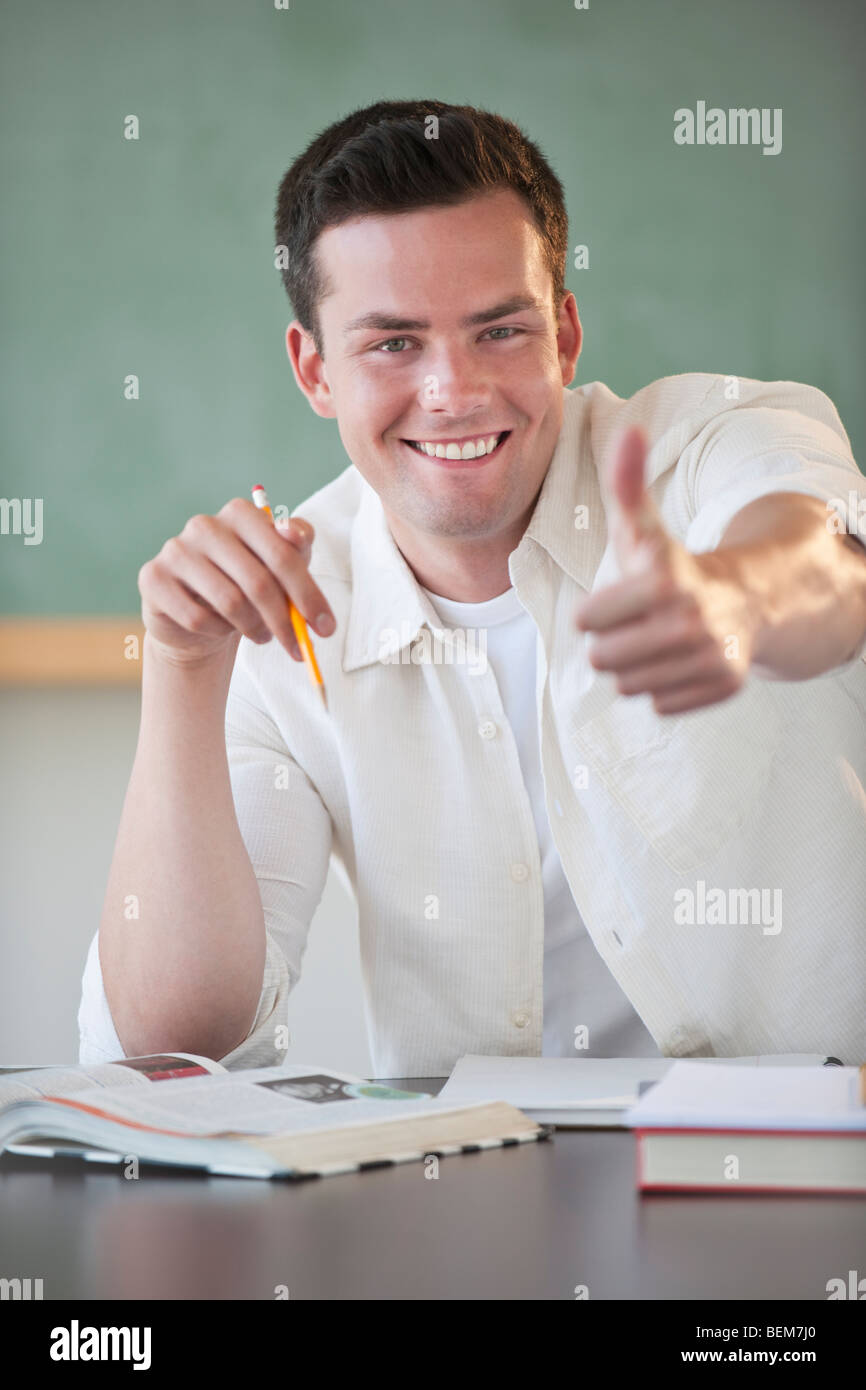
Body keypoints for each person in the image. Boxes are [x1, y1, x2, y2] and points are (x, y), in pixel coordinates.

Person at [80, 100, 866, 1077]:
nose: (452, 391)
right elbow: (174, 1045)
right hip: (470, 1166)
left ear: (564, 336)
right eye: (392, 344)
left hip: (811, 1154)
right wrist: (183, 669)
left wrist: (736, 602)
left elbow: (825, 564)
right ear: (315, 371)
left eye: (499, 330)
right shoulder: (284, 613)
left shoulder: (710, 442)